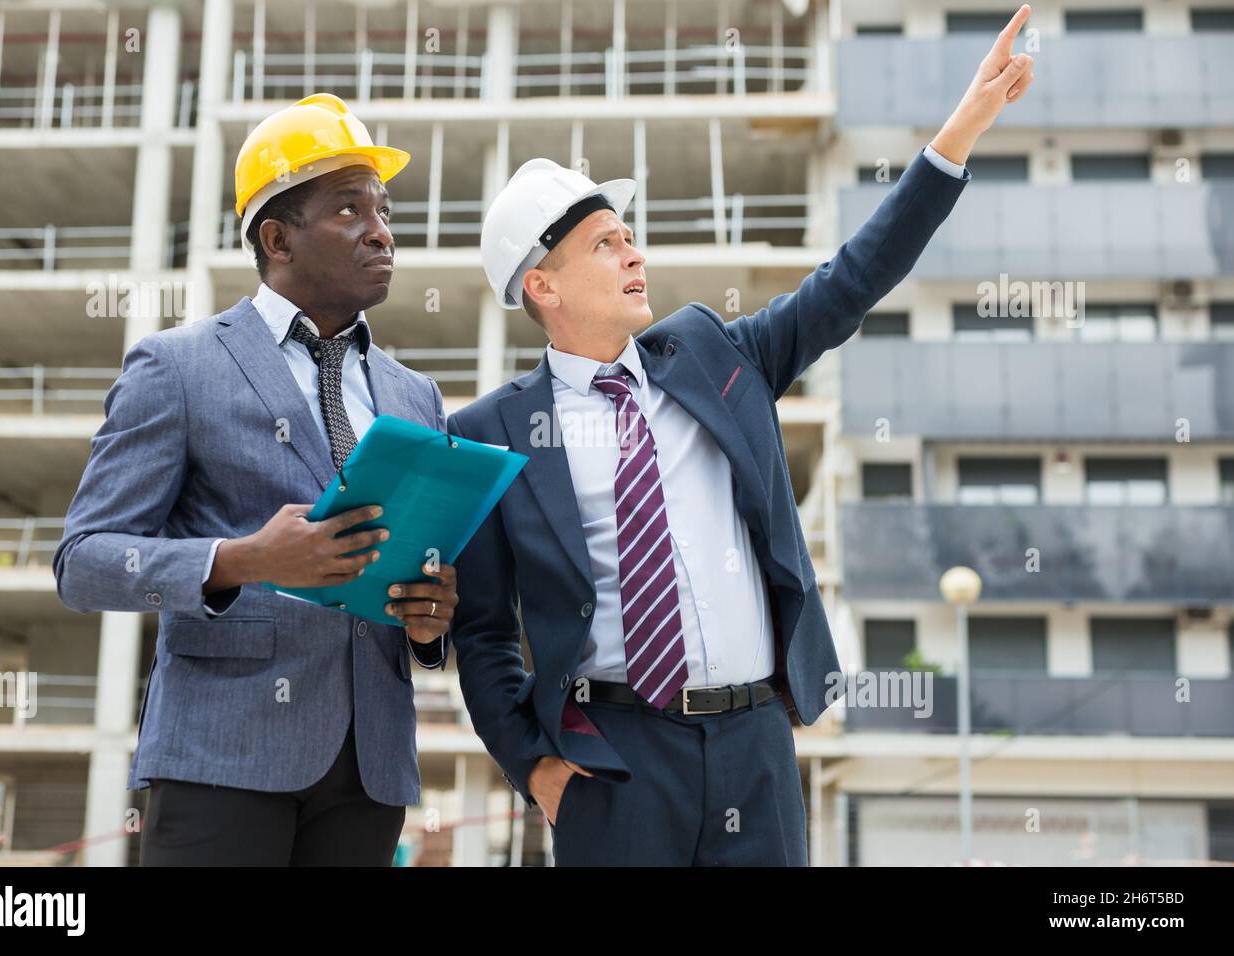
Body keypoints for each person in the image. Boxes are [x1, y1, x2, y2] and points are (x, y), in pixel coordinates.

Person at [447, 8, 1035, 865]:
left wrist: (959, 133)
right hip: (612, 763)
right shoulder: (492, 433)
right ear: (543, 283)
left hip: (757, 745)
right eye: (608, 244)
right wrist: (535, 770)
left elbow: (851, 278)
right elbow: (484, 631)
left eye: (631, 236)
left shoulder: (716, 356)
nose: (634, 255)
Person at [53, 93, 459, 866]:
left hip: (367, 769)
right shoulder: (177, 368)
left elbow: (414, 564)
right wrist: (243, 560)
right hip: (223, 759)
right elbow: (84, 564)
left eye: (382, 207)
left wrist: (430, 620)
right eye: (349, 210)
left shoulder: (415, 396)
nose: (381, 231)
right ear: (278, 237)